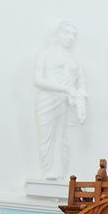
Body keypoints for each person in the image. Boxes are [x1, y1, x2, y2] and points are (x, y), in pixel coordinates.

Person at [34, 22, 87, 179]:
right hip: (47, 100)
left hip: (65, 103)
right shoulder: (45, 54)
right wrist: (65, 89)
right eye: (66, 32)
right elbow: (37, 80)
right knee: (46, 138)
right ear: (57, 34)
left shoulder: (75, 61)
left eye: (73, 34)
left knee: (62, 139)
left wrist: (81, 98)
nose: (70, 37)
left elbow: (81, 82)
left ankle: (60, 174)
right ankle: (48, 173)